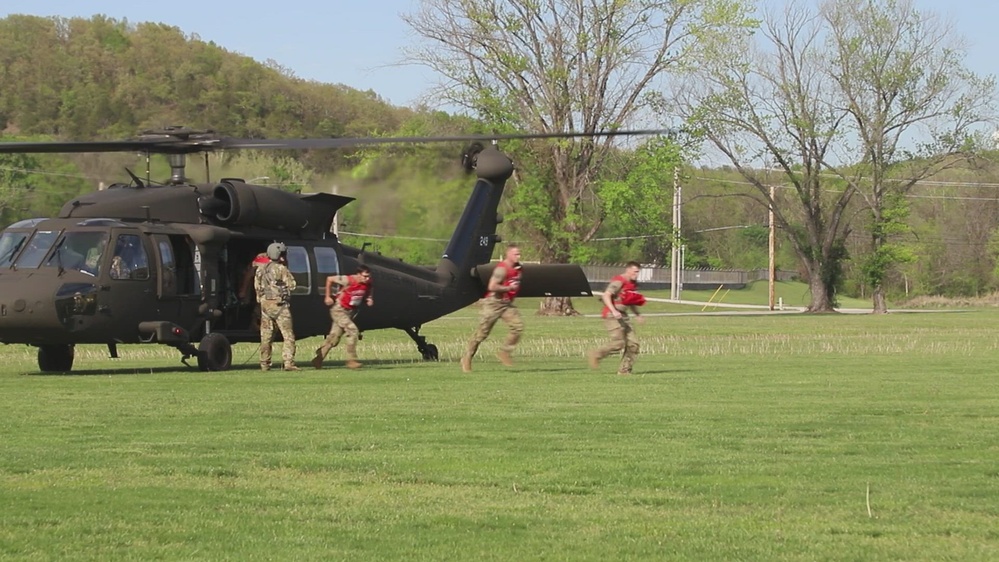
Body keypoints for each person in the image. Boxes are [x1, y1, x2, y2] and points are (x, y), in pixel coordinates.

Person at [461, 244, 524, 373]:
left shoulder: (518, 268)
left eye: (519, 254)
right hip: (493, 303)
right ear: (508, 254)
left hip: (506, 304)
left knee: (518, 327)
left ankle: (504, 352)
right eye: (515, 254)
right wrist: (508, 289)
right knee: (482, 334)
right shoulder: (501, 269)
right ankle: (467, 358)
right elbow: (492, 286)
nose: (518, 256)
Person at [588, 261, 646, 375]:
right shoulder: (619, 281)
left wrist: (637, 314)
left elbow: (630, 301)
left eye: (638, 272)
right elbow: (606, 295)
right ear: (628, 270)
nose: (637, 274)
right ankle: (596, 354)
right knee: (618, 343)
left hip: (623, 315)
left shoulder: (632, 284)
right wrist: (614, 311)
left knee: (634, 344)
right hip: (612, 315)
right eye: (635, 272)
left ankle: (624, 370)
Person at [312, 265, 374, 369]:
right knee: (353, 330)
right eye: (365, 276)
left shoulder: (368, 283)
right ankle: (351, 359)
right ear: (358, 275)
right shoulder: (348, 280)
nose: (367, 279)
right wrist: (327, 296)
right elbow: (329, 279)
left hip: (350, 312)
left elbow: (370, 289)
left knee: (334, 338)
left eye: (368, 276)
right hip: (339, 310)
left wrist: (369, 298)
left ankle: (318, 359)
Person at [254, 242, 299, 371]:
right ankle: (288, 362)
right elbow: (292, 285)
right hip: (279, 306)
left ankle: (264, 363)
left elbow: (257, 288)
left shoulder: (260, 270)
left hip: (265, 306)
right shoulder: (281, 269)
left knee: (266, 337)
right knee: (288, 336)